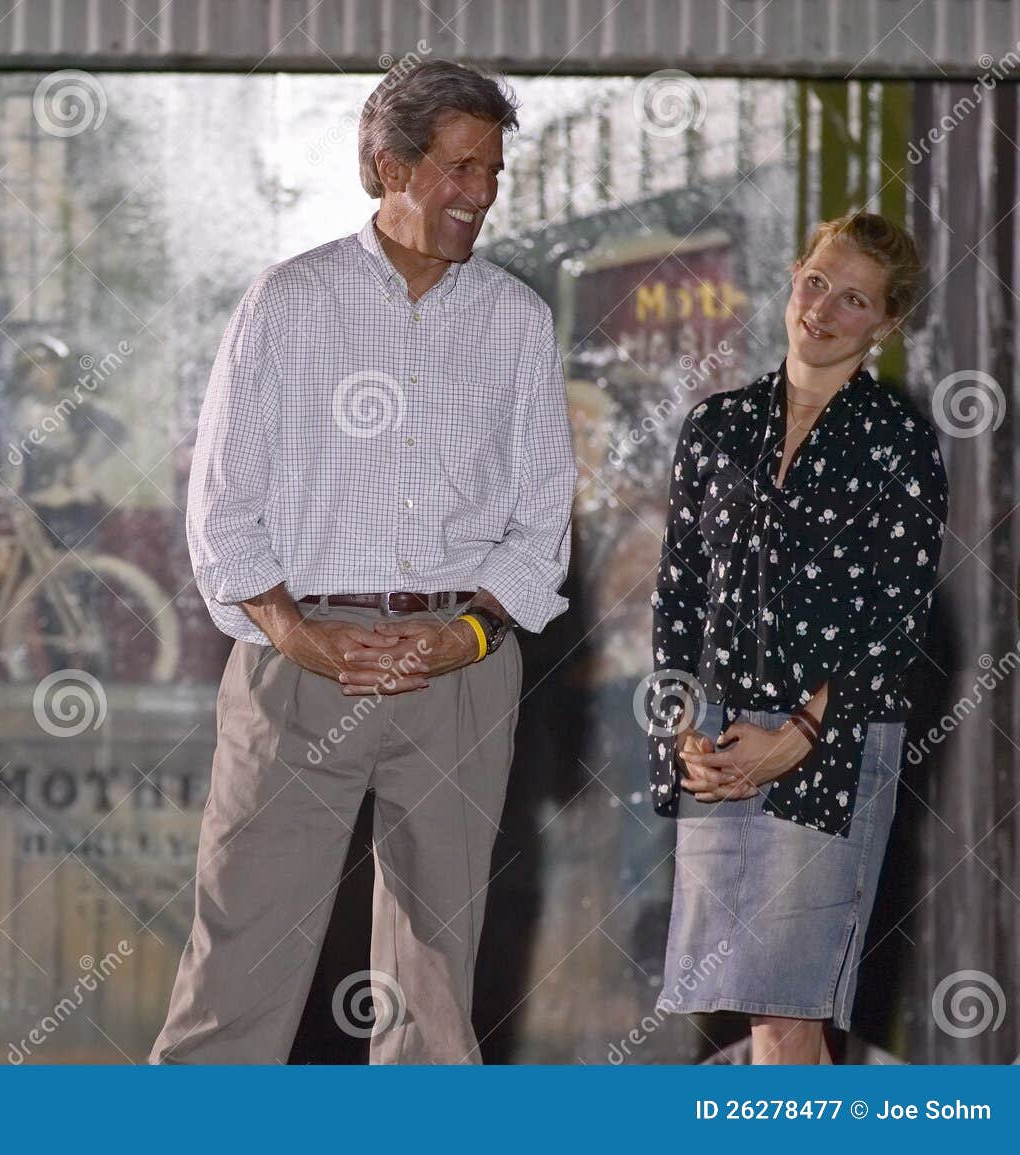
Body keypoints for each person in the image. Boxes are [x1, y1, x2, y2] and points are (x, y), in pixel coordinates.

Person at [152, 61, 576, 1064]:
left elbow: (540, 521)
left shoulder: (516, 322)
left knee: (436, 989)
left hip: (462, 671)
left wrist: (462, 635)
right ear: (389, 166)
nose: (478, 193)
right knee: (235, 972)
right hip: (296, 664)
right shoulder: (287, 303)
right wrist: (300, 635)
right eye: (458, 169)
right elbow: (221, 508)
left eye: (493, 172)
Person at [648, 211, 947, 1063]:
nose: (823, 309)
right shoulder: (715, 427)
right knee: (765, 1011)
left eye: (854, 299)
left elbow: (898, 626)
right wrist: (682, 732)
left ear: (886, 324)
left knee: (783, 1011)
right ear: (792, 275)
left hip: (838, 741)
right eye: (817, 281)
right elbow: (678, 601)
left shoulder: (899, 442)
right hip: (717, 740)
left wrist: (802, 734)